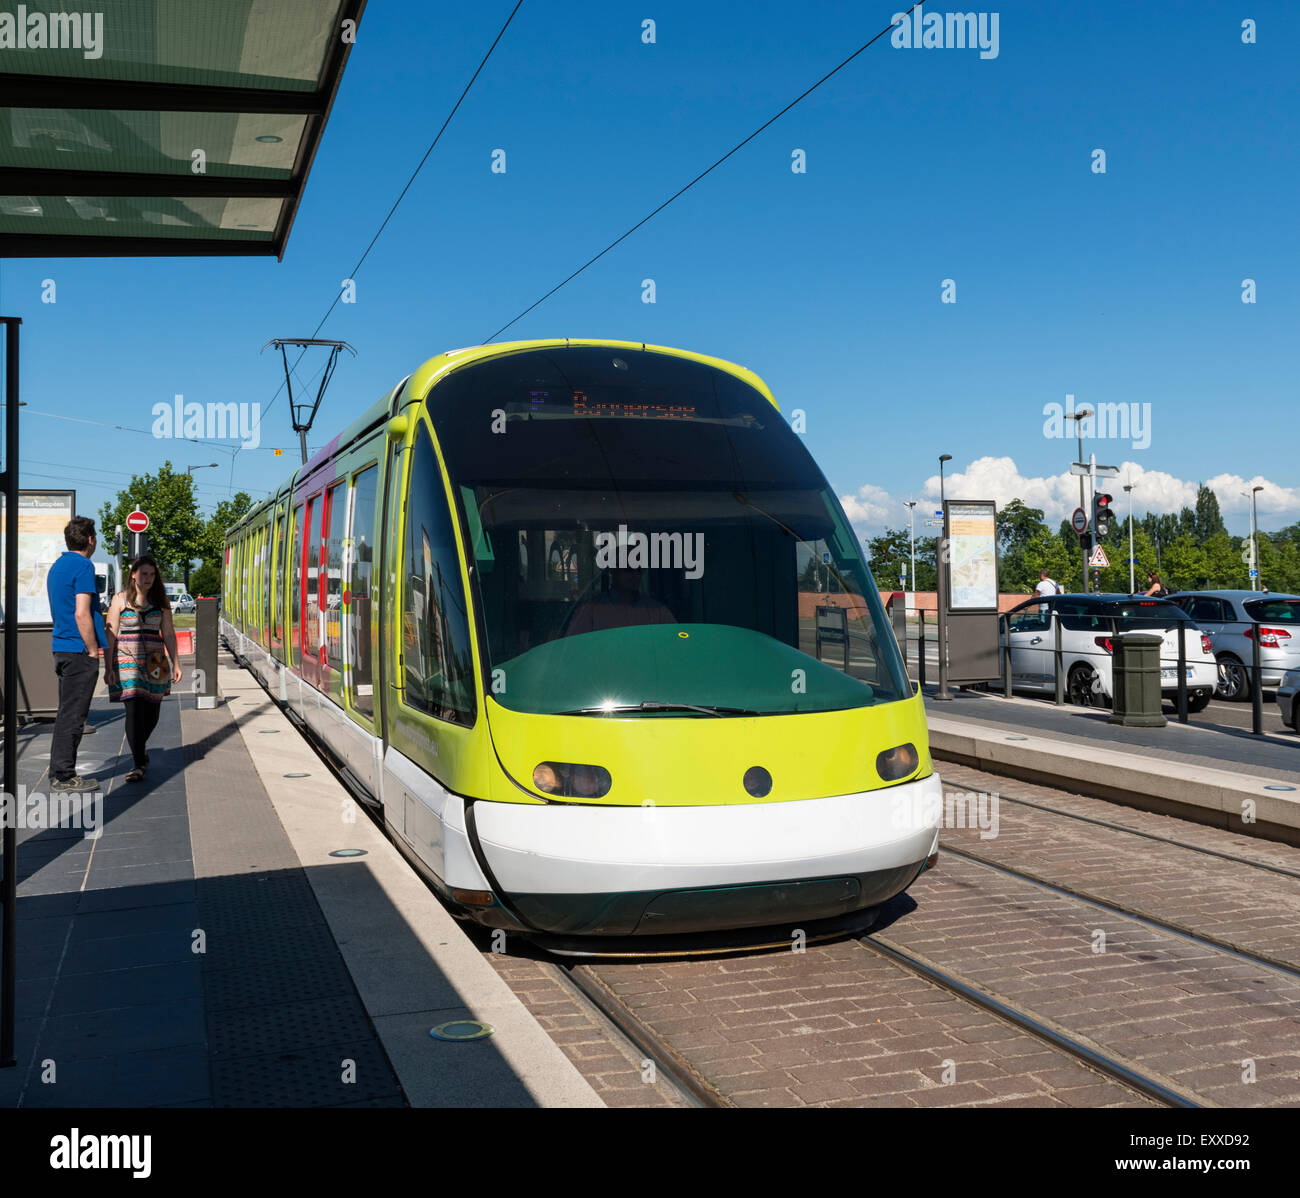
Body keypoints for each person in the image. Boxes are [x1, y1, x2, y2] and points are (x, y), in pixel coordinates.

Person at [104, 555, 182, 782]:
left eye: (152, 574)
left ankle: (140, 748)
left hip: (156, 660)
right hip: (126, 658)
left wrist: (176, 662)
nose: (148, 578)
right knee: (133, 710)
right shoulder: (119, 600)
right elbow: (111, 634)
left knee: (153, 711)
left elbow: (168, 632)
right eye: (143, 574)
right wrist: (108, 666)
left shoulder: (161, 601)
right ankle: (139, 762)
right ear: (133, 574)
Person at [46, 516, 102, 793]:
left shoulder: (57, 566)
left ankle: (59, 771)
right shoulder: (83, 566)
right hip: (78, 650)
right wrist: (93, 649)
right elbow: (82, 612)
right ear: (91, 539)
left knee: (66, 713)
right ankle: (64, 776)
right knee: (74, 716)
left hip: (61, 647)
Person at [567, 567, 675, 635]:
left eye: (639, 570)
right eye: (628, 569)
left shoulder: (657, 611)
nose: (634, 575)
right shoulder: (590, 610)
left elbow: (675, 643)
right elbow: (575, 650)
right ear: (613, 571)